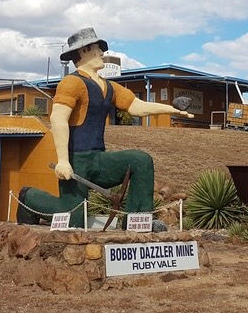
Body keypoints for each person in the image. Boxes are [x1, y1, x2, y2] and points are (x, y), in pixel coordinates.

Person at [18, 27, 191, 228]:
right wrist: (63, 161)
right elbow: (58, 119)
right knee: (75, 219)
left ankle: (137, 222)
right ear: (83, 52)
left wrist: (172, 109)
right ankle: (28, 198)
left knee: (140, 160)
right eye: (97, 48)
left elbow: (136, 107)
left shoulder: (109, 87)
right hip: (77, 160)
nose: (101, 53)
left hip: (98, 160)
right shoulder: (71, 82)